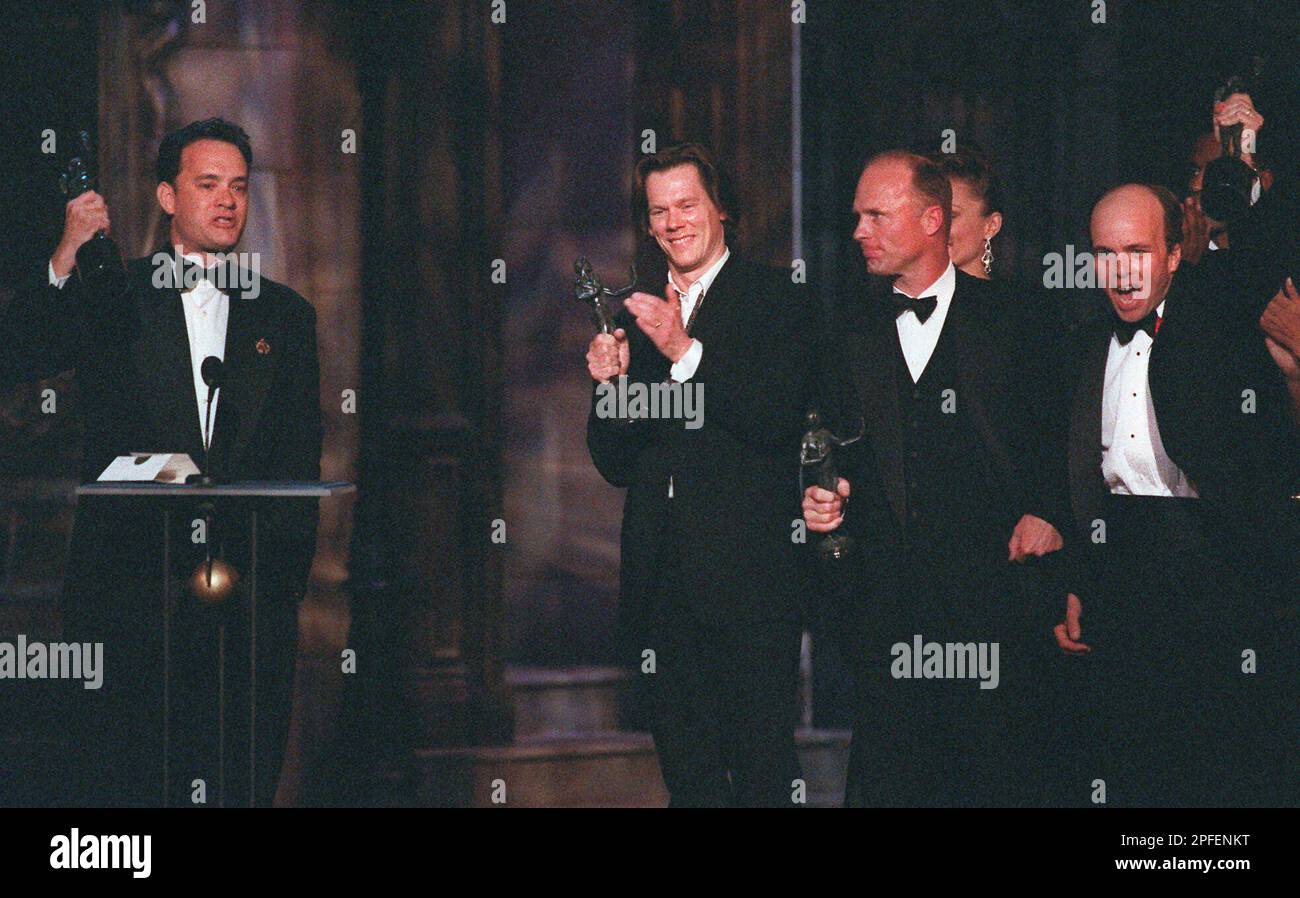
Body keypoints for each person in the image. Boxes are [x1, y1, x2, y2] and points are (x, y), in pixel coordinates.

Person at [0, 118, 321, 807]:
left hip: (247, 609)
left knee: (239, 781)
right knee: (133, 788)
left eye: (238, 186)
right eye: (208, 184)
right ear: (168, 196)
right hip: (131, 596)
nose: (227, 200)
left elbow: (301, 460)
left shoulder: (286, 317)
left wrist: (281, 590)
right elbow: (19, 349)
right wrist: (64, 256)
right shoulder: (115, 291)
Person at [801, 150, 1067, 806]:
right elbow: (830, 455)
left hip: (997, 610)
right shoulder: (847, 334)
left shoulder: (1018, 320)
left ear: (929, 220)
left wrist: (1048, 511)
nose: (858, 230)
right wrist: (821, 501)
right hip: (886, 619)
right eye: (856, 216)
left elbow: (1064, 439)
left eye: (875, 215)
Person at [1050, 183, 1299, 806]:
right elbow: (1082, 474)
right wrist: (1081, 577)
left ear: (1172, 255)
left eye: (1137, 250)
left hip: (1216, 568)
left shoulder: (1223, 323)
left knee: (1219, 769)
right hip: (1122, 569)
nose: (1122, 270)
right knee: (1129, 766)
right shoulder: (1083, 340)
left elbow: (1275, 452)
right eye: (1106, 254)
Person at [584, 142, 815, 806]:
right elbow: (615, 462)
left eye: (687, 204)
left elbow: (775, 419)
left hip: (752, 588)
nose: (673, 222)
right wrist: (612, 385)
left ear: (721, 210)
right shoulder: (633, 311)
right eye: (659, 211)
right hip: (663, 592)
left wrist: (685, 352)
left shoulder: (777, 298)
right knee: (690, 782)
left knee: (765, 772)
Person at [929, 143, 1003, 280]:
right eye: (928, 216)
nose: (935, 227)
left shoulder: (1011, 300)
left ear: (991, 226)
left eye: (951, 216)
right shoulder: (888, 298)